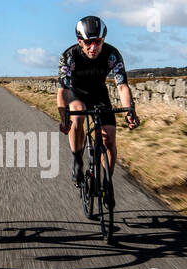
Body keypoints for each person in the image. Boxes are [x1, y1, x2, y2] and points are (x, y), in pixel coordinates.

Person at [56, 15, 138, 208]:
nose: (93, 47)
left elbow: (122, 86)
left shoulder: (112, 55)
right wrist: (63, 117)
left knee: (109, 138)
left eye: (98, 42)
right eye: (88, 43)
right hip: (76, 94)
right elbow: (62, 91)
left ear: (103, 40)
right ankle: (77, 160)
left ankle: (107, 182)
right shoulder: (69, 56)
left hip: (99, 94)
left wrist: (130, 112)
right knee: (78, 113)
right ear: (80, 41)